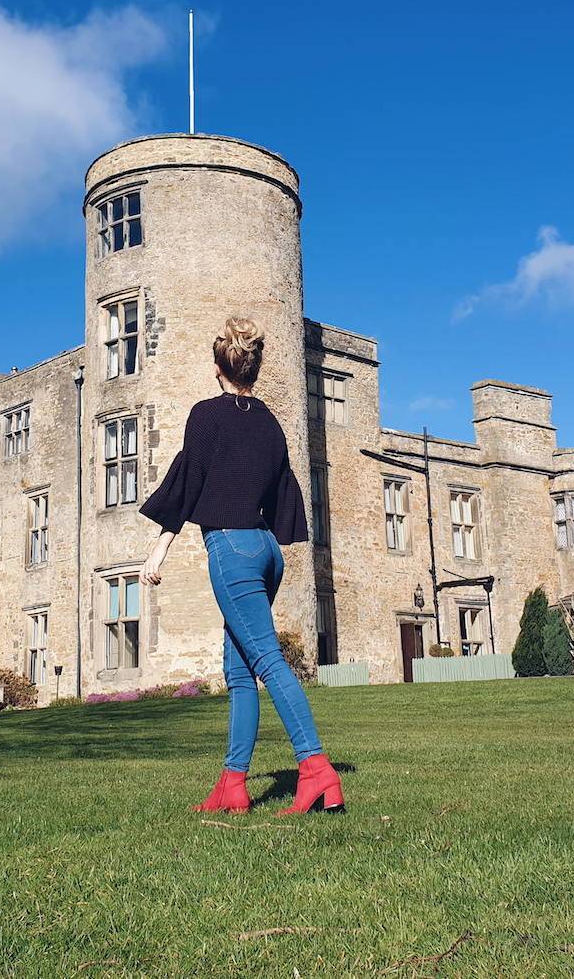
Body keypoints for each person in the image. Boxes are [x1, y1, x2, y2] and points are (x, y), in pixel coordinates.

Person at [139, 316, 345, 816]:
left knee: (268, 661)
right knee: (239, 670)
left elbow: (188, 480)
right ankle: (232, 783)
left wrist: (159, 550)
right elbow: (283, 489)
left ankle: (316, 769)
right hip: (266, 549)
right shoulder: (271, 422)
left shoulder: (206, 416)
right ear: (253, 368)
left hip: (232, 549)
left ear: (219, 368)